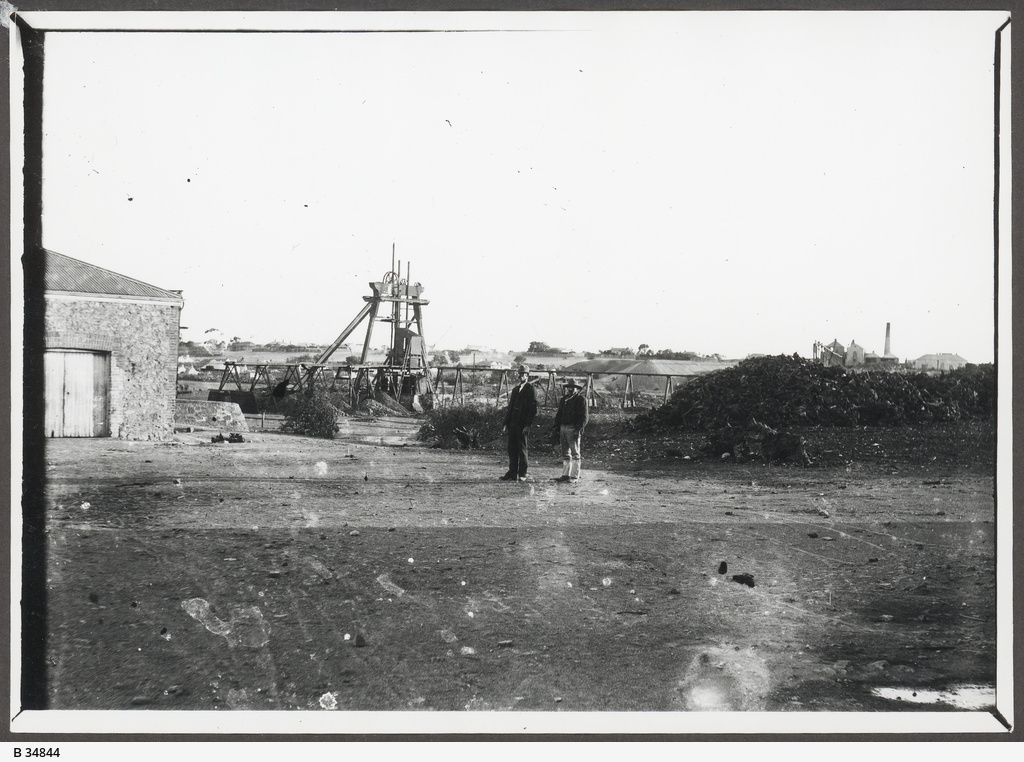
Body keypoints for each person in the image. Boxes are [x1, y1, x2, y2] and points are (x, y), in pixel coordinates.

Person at [501, 365, 537, 481]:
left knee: (522, 449)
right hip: (513, 423)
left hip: (522, 425)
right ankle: (512, 472)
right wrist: (506, 423)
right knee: (511, 448)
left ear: (527, 375)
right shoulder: (516, 390)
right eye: (520, 374)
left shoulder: (531, 389)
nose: (522, 376)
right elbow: (510, 407)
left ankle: (522, 473)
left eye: (524, 374)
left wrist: (528, 425)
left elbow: (533, 410)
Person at [552, 377, 589, 484]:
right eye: (569, 387)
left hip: (573, 428)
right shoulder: (564, 400)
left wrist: (579, 429)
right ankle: (565, 475)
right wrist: (556, 427)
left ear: (577, 389)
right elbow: (559, 414)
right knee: (565, 453)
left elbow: (584, 417)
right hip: (563, 427)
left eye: (573, 387)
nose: (571, 389)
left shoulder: (581, 400)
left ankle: (574, 476)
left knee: (575, 453)